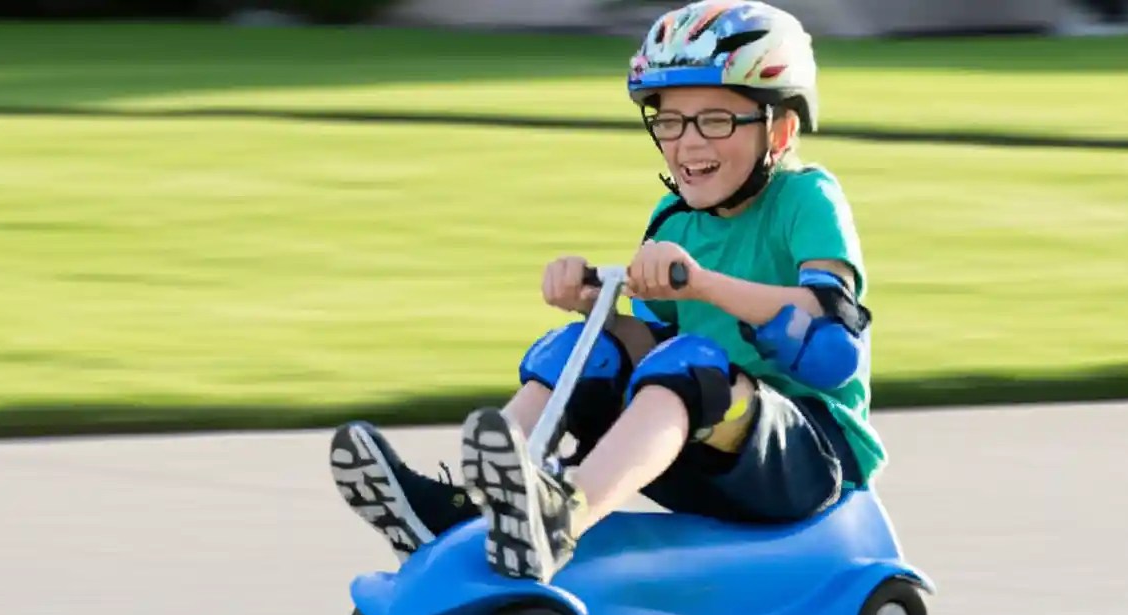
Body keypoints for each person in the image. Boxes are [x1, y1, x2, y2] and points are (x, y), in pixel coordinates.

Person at [329, 0, 885, 584]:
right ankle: (466, 510)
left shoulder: (806, 200)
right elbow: (650, 349)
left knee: (692, 369)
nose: (689, 145)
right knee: (581, 350)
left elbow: (832, 349)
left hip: (813, 461)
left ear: (782, 128)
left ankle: (561, 519)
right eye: (670, 121)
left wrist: (704, 284)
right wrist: (600, 311)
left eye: (716, 120)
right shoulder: (674, 219)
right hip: (707, 451)